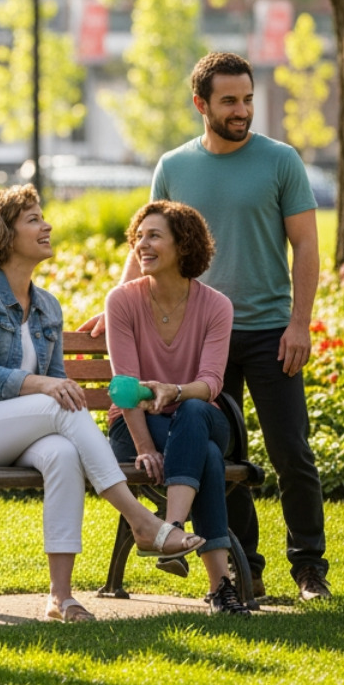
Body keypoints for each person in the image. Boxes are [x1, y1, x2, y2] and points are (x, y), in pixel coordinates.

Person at [84, 51, 329, 603]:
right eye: (229, 101)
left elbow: (307, 245)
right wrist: (120, 300)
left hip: (267, 330)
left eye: (247, 99)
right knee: (223, 452)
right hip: (199, 338)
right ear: (201, 104)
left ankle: (309, 567)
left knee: (292, 450)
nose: (242, 110)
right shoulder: (174, 166)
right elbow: (147, 239)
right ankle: (248, 568)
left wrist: (299, 324)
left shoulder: (281, 160)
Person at [0, 185, 203, 623]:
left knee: (61, 454)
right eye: (33, 220)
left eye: (43, 217)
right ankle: (141, 521)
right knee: (62, 406)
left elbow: (57, 381)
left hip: (18, 431)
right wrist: (45, 386)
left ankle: (60, 596)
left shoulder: (46, 306)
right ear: (4, 234)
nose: (47, 226)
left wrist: (50, 386)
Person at [104, 201, 249, 616]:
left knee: (194, 413)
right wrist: (145, 446)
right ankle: (220, 587)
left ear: (183, 245)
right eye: (139, 236)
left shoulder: (216, 306)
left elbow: (212, 384)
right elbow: (126, 389)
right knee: (203, 456)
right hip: (136, 428)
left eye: (154, 236)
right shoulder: (122, 301)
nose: (141, 244)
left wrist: (176, 390)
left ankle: (173, 531)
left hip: (198, 415)